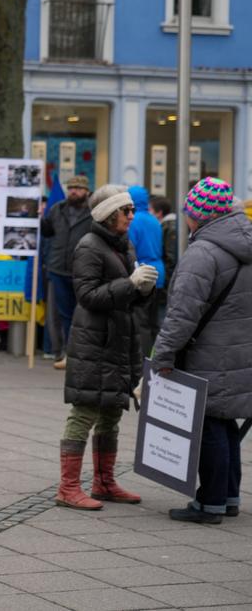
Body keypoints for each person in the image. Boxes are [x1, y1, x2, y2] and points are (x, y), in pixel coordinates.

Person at [151, 178, 251, 524]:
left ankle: (209, 504)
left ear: (199, 215)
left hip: (209, 353)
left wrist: (162, 356)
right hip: (241, 353)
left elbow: (181, 314)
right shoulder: (245, 243)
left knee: (210, 425)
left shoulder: (203, 252)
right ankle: (229, 497)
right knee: (226, 425)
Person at [56, 184, 156, 510]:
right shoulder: (89, 246)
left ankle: (104, 481)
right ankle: (68, 488)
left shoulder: (121, 244)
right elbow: (87, 296)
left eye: (131, 210)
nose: (132, 216)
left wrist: (144, 288)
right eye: (125, 211)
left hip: (119, 340)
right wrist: (129, 284)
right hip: (94, 341)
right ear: (108, 215)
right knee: (85, 411)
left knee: (112, 410)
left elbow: (124, 295)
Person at [42, 175, 93, 370]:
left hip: (82, 270)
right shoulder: (57, 209)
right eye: (71, 188)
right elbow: (48, 233)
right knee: (58, 315)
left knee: (81, 314)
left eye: (78, 188)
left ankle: (78, 353)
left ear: (86, 191)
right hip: (57, 268)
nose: (74, 191)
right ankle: (61, 352)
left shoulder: (93, 212)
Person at [127, 185, 165, 356]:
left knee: (140, 322)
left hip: (143, 272)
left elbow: (131, 248)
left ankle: (143, 362)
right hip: (159, 272)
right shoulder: (154, 220)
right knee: (154, 322)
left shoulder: (133, 220)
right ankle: (156, 357)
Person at [150, 195, 177, 325]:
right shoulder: (165, 226)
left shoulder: (169, 228)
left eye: (150, 210)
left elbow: (170, 258)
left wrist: (166, 285)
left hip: (166, 284)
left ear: (159, 213)